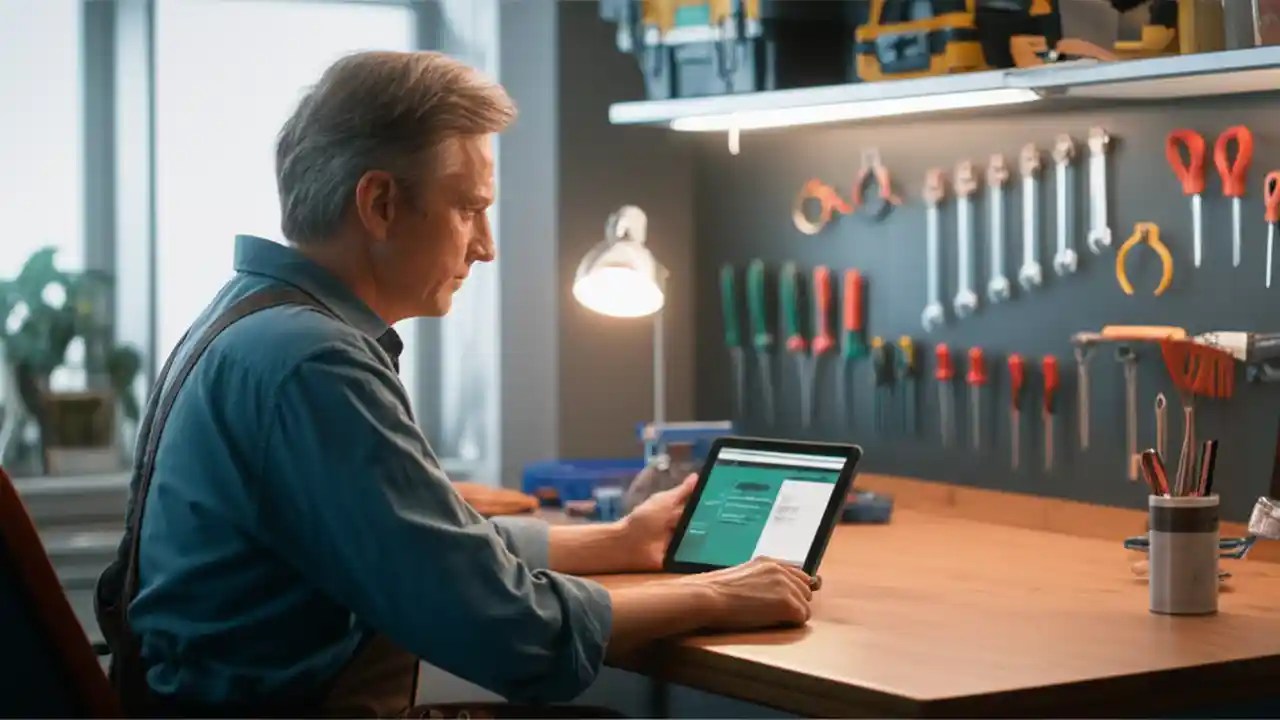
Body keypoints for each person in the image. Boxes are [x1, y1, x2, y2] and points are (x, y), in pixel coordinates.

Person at [95, 50, 816, 718]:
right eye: (469, 207)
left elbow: (416, 545)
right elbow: (506, 629)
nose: (487, 245)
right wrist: (716, 593)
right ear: (379, 204)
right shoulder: (314, 362)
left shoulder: (247, 319)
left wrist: (616, 541)